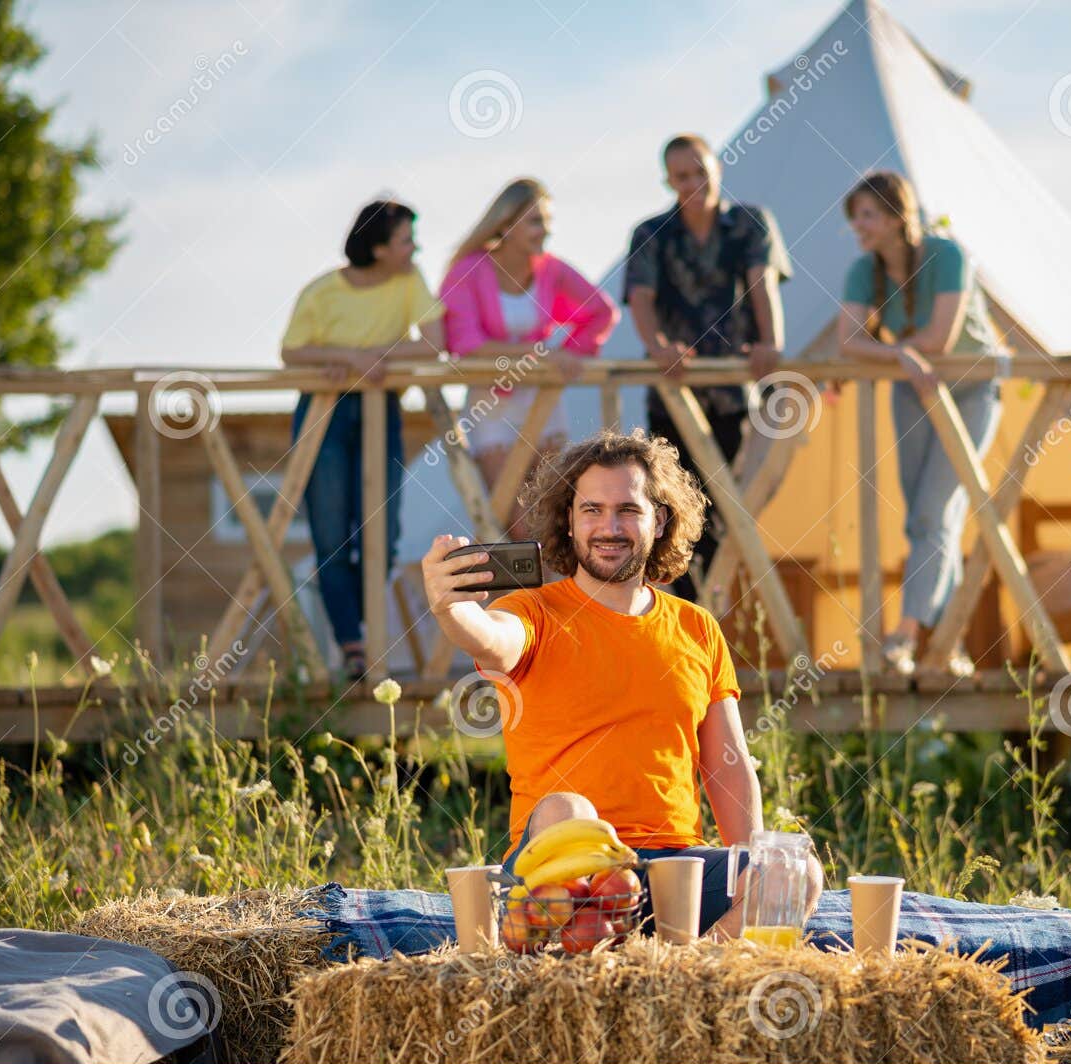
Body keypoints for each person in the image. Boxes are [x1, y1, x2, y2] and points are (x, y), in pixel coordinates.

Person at [420, 430, 823, 937]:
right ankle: (584, 942)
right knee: (569, 808)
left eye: (628, 510)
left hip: (676, 872)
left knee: (795, 870)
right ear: (568, 521)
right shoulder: (532, 611)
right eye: (592, 510)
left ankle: (685, 974)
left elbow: (729, 767)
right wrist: (452, 608)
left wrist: (755, 870)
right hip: (564, 871)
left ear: (660, 520)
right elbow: (489, 639)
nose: (608, 527)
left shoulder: (696, 627)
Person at [837, 171, 1007, 677]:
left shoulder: (946, 255)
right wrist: (902, 357)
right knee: (928, 518)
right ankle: (948, 643)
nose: (858, 227)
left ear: (896, 217)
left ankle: (906, 634)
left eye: (867, 215)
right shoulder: (863, 271)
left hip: (971, 390)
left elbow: (940, 338)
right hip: (915, 388)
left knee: (933, 512)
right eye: (855, 217)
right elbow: (847, 341)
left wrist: (898, 353)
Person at [622, 134, 792, 602]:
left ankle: (701, 614)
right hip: (673, 395)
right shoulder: (651, 232)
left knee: (720, 512)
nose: (694, 183)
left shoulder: (750, 223)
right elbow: (640, 299)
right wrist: (658, 348)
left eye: (700, 171)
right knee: (669, 512)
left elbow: (763, 286)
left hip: (733, 393)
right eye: (682, 176)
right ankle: (682, 610)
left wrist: (769, 344)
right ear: (669, 181)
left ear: (717, 167)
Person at [281, 200, 445, 680]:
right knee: (330, 534)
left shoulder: (409, 281)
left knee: (382, 530)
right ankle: (353, 645)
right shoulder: (323, 290)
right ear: (377, 248)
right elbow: (292, 353)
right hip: (322, 414)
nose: (414, 247)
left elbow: (435, 343)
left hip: (380, 410)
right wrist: (347, 358)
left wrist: (371, 355)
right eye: (404, 240)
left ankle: (365, 630)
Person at [439, 178, 618, 538]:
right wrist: (541, 355)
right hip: (491, 409)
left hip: (543, 402)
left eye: (547, 221)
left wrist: (569, 354)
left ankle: (553, 596)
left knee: (552, 523)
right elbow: (465, 344)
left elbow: (602, 312)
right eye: (536, 221)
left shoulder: (552, 270)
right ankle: (523, 597)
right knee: (515, 525)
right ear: (506, 224)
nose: (545, 231)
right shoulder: (468, 271)